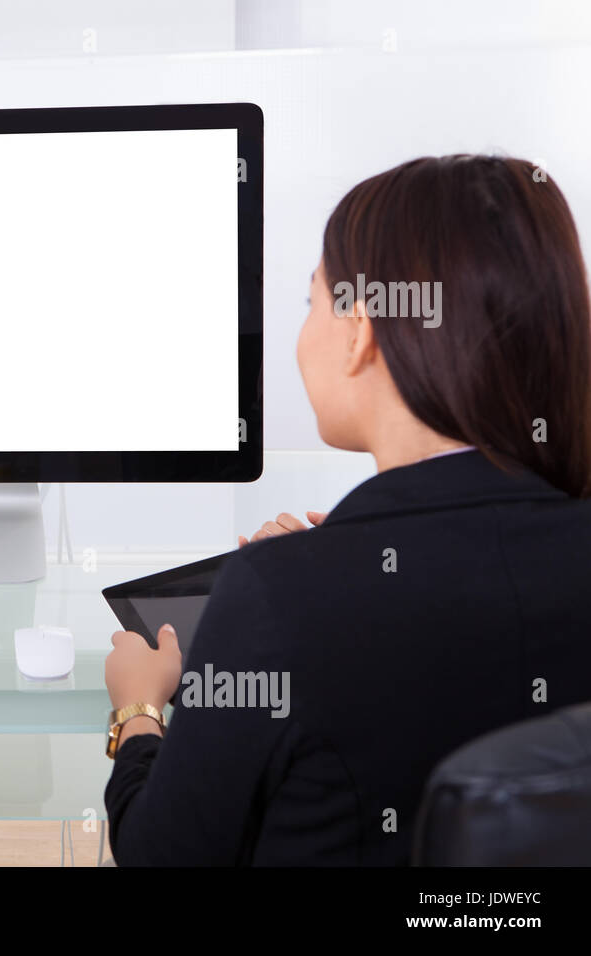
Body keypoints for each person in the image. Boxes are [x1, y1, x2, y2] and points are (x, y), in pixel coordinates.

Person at [103, 154, 591, 865]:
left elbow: (160, 856)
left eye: (311, 302)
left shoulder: (276, 598)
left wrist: (138, 708)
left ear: (361, 328)